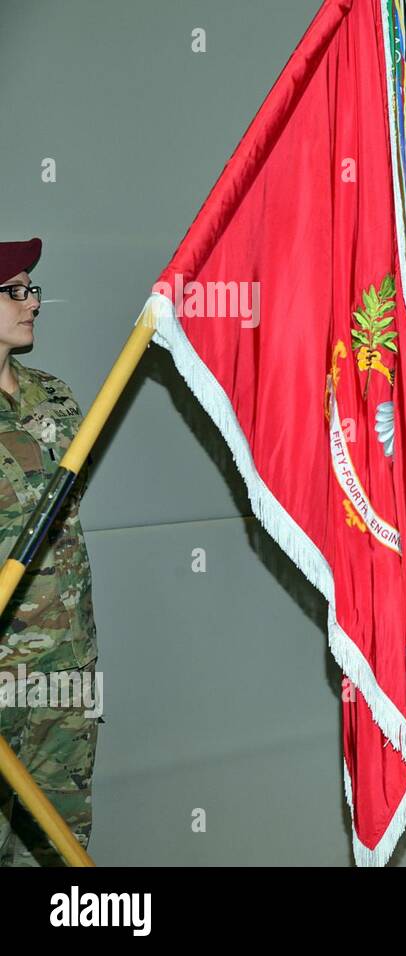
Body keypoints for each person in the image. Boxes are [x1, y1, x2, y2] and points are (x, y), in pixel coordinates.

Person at [0, 237, 99, 866]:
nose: (32, 301)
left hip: (64, 672)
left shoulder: (58, 399)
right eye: (15, 291)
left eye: (33, 288)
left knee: (58, 848)